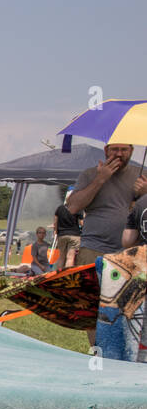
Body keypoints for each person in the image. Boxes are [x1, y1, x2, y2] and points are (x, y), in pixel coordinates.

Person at [65, 143, 147, 352]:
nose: (119, 154)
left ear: (132, 151)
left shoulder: (142, 175)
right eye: (114, 149)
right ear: (106, 151)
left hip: (130, 254)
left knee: (130, 308)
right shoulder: (90, 174)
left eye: (124, 150)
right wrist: (100, 180)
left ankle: (125, 352)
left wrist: (144, 193)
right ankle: (99, 351)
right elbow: (73, 207)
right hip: (94, 249)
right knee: (93, 307)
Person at [54, 194, 84, 270]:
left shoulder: (59, 208)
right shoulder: (78, 208)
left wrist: (56, 232)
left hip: (62, 235)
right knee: (70, 257)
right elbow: (81, 223)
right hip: (74, 235)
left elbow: (55, 222)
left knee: (61, 257)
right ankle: (66, 276)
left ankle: (58, 276)